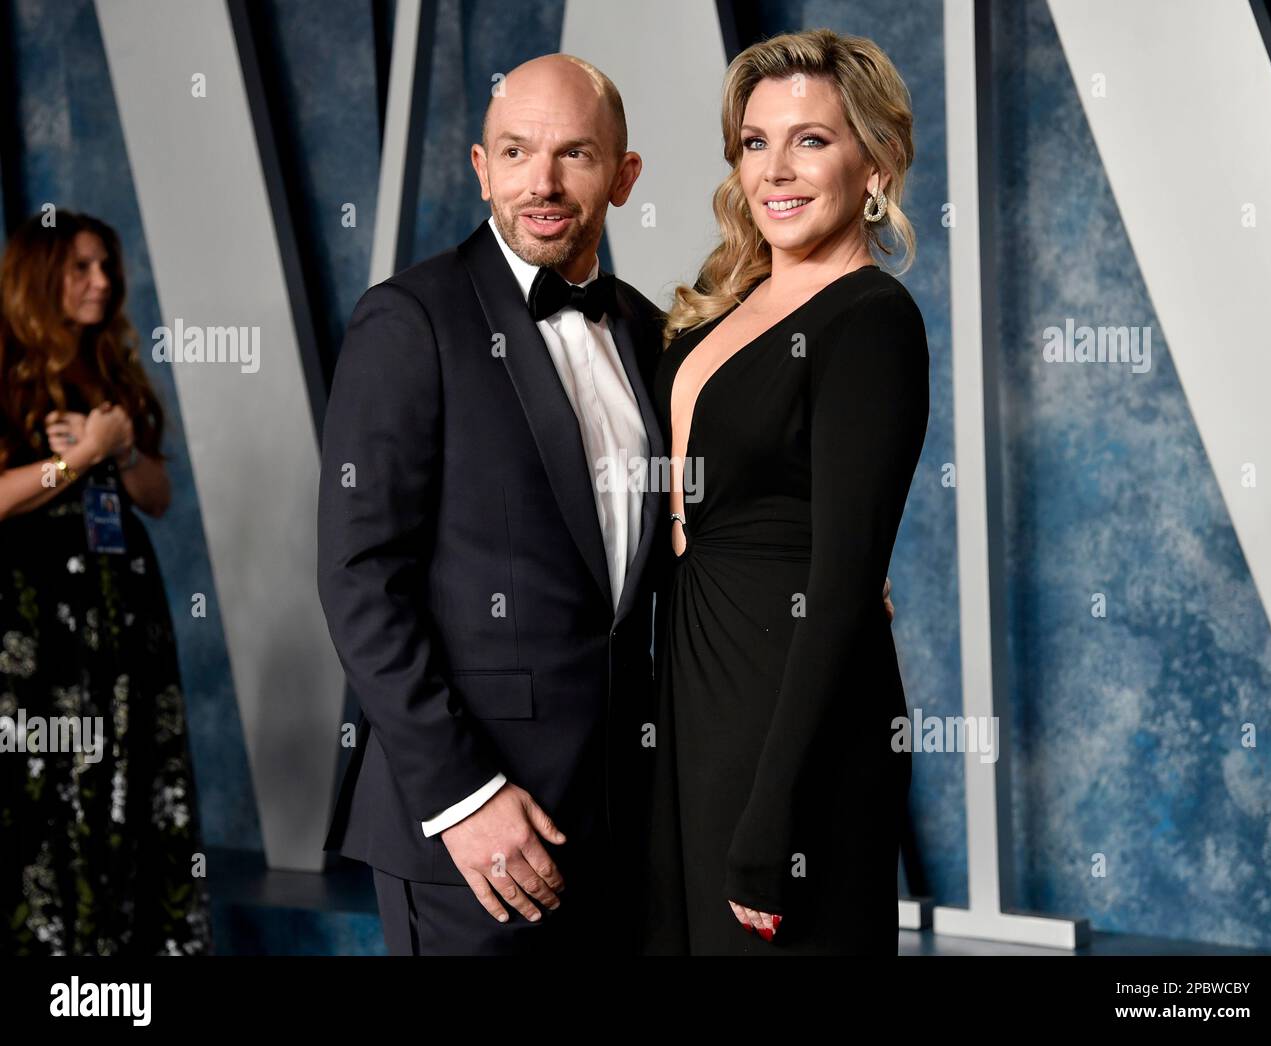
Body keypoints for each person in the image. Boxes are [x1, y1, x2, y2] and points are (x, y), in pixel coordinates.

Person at [316, 54, 669, 955]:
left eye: (575, 155)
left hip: (626, 826)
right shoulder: (410, 320)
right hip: (470, 836)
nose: (541, 184)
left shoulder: (646, 331)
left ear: (624, 176)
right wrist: (463, 798)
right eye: (515, 153)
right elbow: (361, 580)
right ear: (481, 168)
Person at [643, 29, 930, 955]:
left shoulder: (872, 322)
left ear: (875, 161)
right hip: (696, 694)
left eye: (811, 139)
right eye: (757, 141)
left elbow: (845, 584)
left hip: (789, 726)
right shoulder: (724, 304)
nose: (777, 167)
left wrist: (775, 816)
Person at [0, 211, 212, 956]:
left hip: (121, 611)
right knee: (43, 784)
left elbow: (156, 496)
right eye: (82, 267)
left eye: (106, 267)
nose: (102, 283)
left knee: (130, 773)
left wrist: (119, 453)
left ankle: (120, 955)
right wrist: (79, 457)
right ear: (40, 276)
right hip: (31, 624)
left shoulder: (111, 367)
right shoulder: (5, 365)